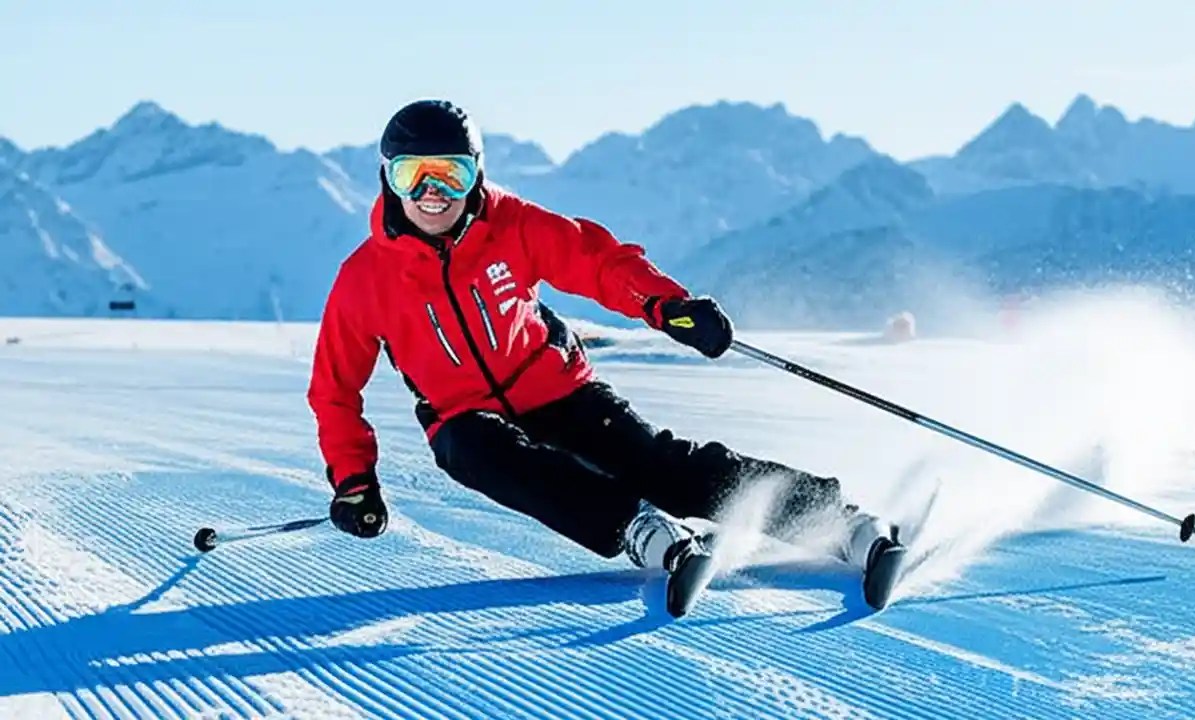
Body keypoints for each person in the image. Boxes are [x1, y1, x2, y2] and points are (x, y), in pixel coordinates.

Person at [307, 99, 906, 614]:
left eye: (451, 175)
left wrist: (664, 304)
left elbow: (595, 261)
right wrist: (354, 480)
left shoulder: (511, 225)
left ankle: (839, 522)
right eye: (415, 175)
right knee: (470, 451)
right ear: (388, 179)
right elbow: (335, 391)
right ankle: (640, 531)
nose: (432, 194)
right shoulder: (364, 279)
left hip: (556, 386)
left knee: (659, 465)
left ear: (477, 175)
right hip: (465, 415)